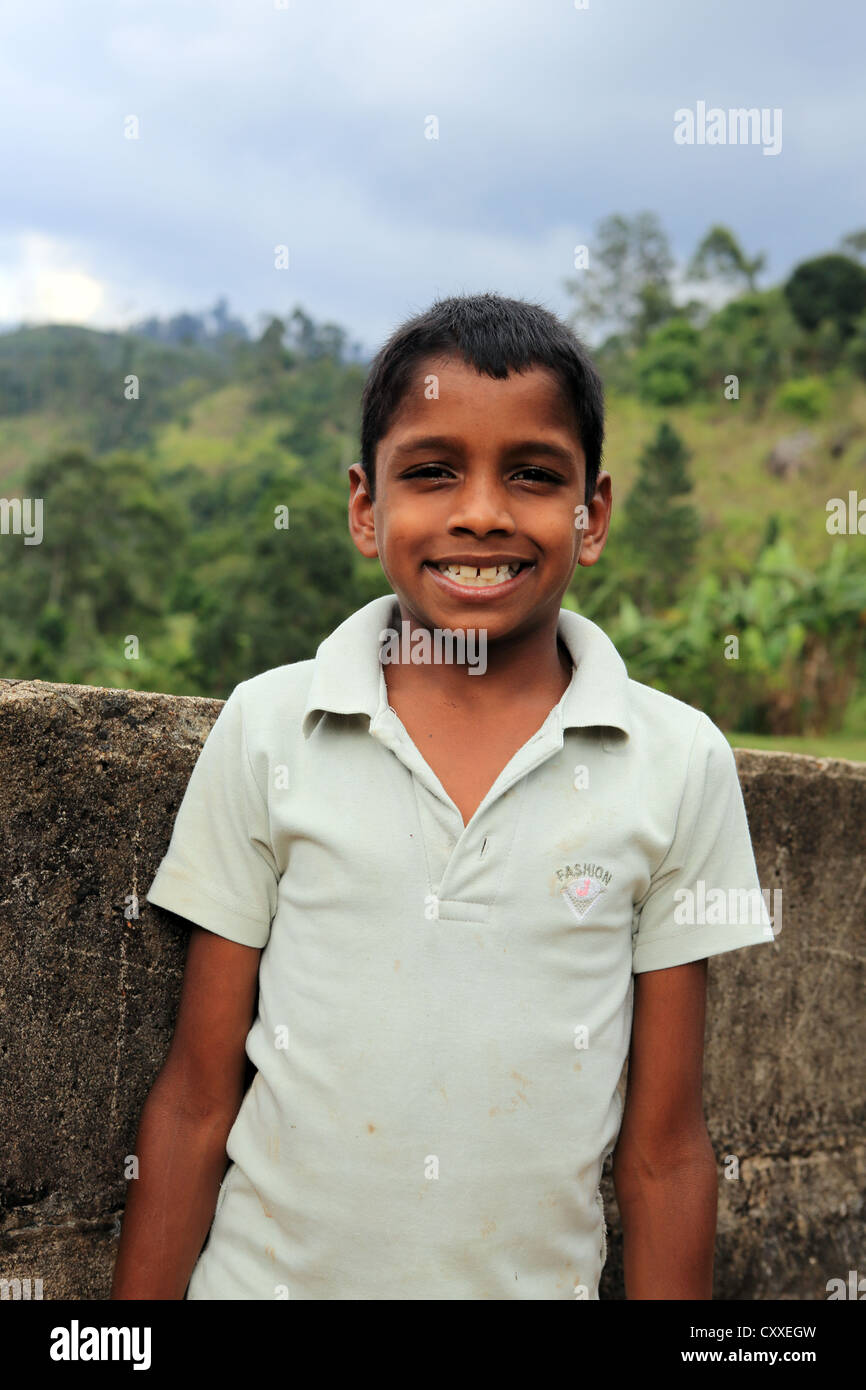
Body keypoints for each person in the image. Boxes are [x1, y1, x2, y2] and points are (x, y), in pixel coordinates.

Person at [111, 291, 774, 1301]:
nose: (479, 511)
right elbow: (197, 1103)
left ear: (590, 515)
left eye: (532, 475)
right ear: (364, 506)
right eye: (430, 472)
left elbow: (666, 1152)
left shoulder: (675, 760)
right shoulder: (270, 726)